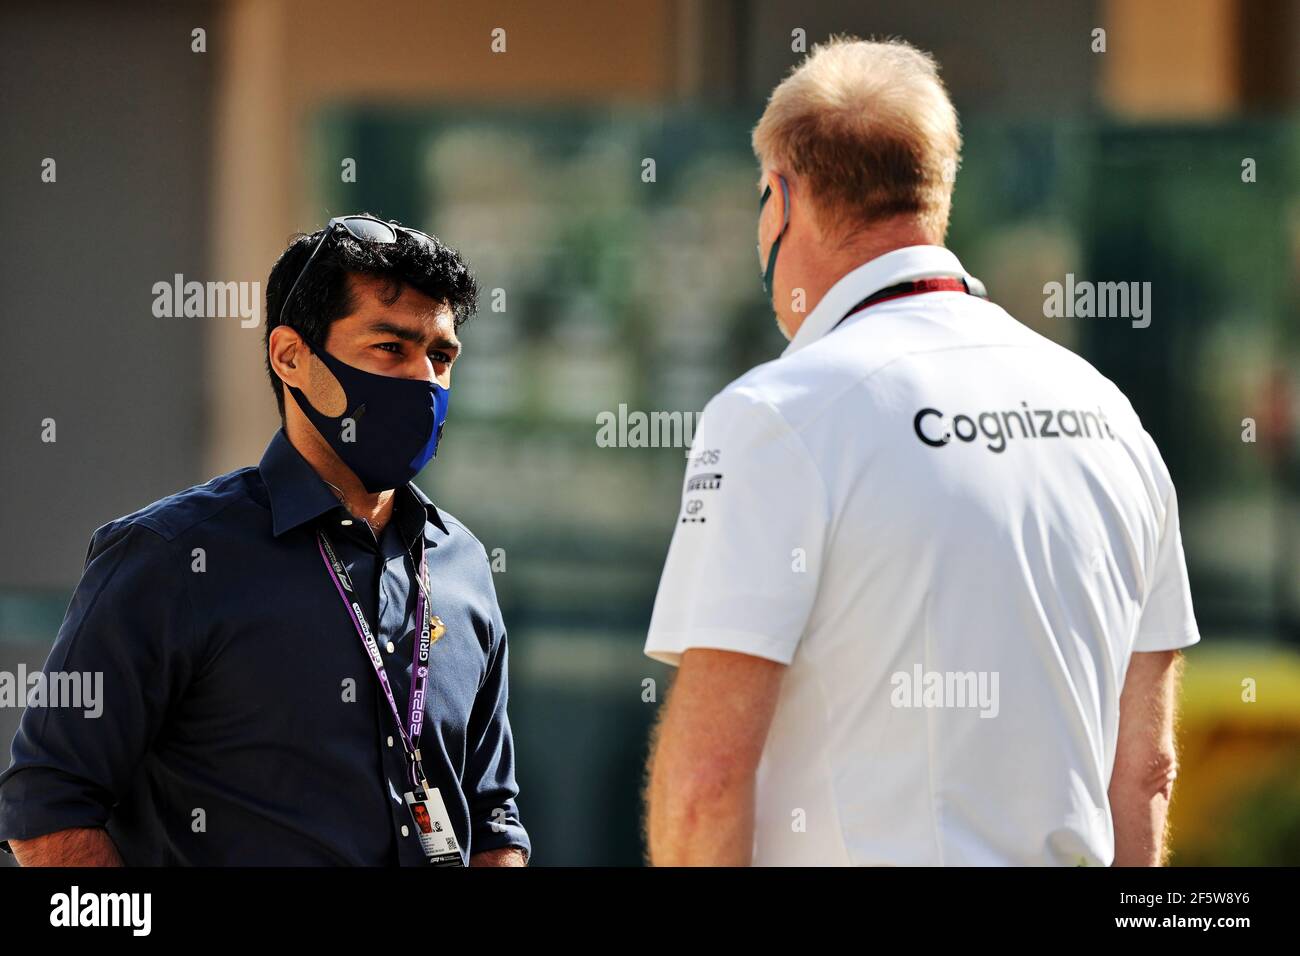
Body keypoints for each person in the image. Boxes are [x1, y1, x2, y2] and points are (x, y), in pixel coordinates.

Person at [643, 39, 1199, 866]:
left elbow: (705, 787)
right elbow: (1146, 773)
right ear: (934, 195)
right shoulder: (1110, 415)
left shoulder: (774, 417)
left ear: (784, 201)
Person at [0, 215, 529, 866]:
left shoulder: (463, 564)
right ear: (291, 357)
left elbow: (494, 822)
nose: (425, 379)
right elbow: (46, 810)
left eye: (441, 355)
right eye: (391, 348)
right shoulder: (170, 557)